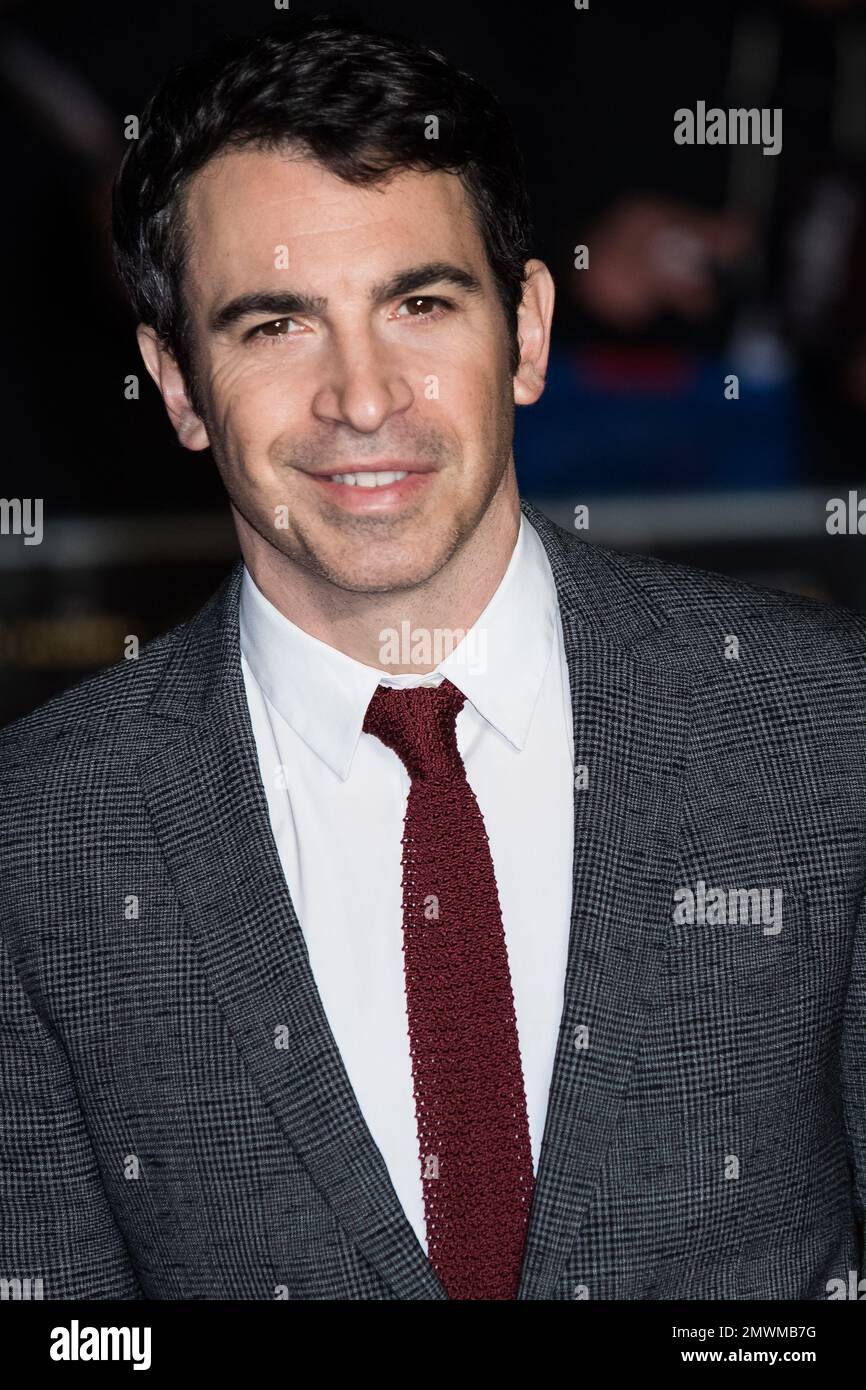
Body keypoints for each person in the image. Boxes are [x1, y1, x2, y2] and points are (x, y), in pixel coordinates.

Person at [1, 13, 864, 1302]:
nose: (363, 396)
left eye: (418, 303)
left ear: (525, 332)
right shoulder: (41, 831)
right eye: (275, 326)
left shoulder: (825, 728)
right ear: (176, 383)